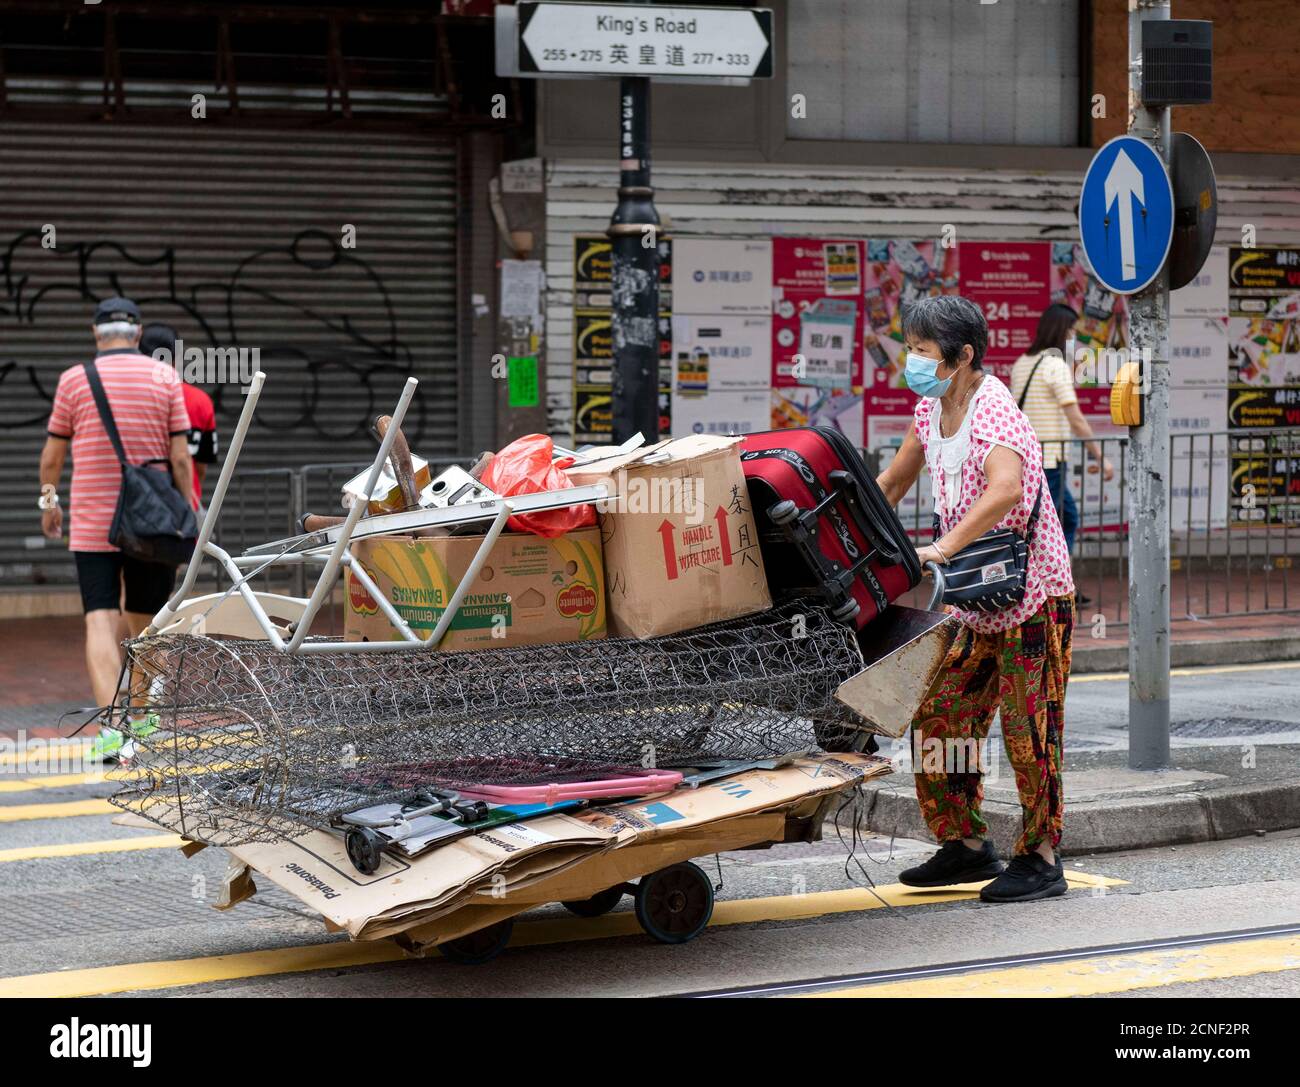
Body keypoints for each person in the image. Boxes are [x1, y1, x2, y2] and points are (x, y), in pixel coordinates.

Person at [875, 294, 1076, 904]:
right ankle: (964, 845)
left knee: (1027, 726)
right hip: (975, 600)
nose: (911, 360)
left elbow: (1006, 489)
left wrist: (941, 547)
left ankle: (1042, 857)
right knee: (942, 717)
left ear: (962, 357)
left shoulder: (993, 408)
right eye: (909, 347)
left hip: (1032, 597)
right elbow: (892, 481)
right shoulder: (928, 409)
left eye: (923, 351)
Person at [39, 297, 194, 761]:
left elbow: (52, 457)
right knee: (147, 620)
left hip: (92, 522)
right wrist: (190, 512)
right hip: (152, 523)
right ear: (137, 331)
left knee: (100, 618)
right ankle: (143, 721)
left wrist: (49, 501)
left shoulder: (74, 380)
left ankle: (111, 733)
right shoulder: (165, 377)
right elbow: (182, 458)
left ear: (96, 333)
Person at [1008, 304, 1115, 560]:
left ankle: (1056, 583)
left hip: (1028, 458)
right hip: (1050, 460)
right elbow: (1076, 419)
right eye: (1072, 332)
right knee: (1052, 526)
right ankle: (1052, 587)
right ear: (1062, 332)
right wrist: (1100, 457)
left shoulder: (1023, 362)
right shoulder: (1055, 365)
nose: (1073, 338)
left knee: (1060, 520)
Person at [139, 322, 218, 515]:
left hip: (137, 507)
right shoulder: (200, 401)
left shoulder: (127, 396)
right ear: (175, 358)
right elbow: (200, 466)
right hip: (183, 508)